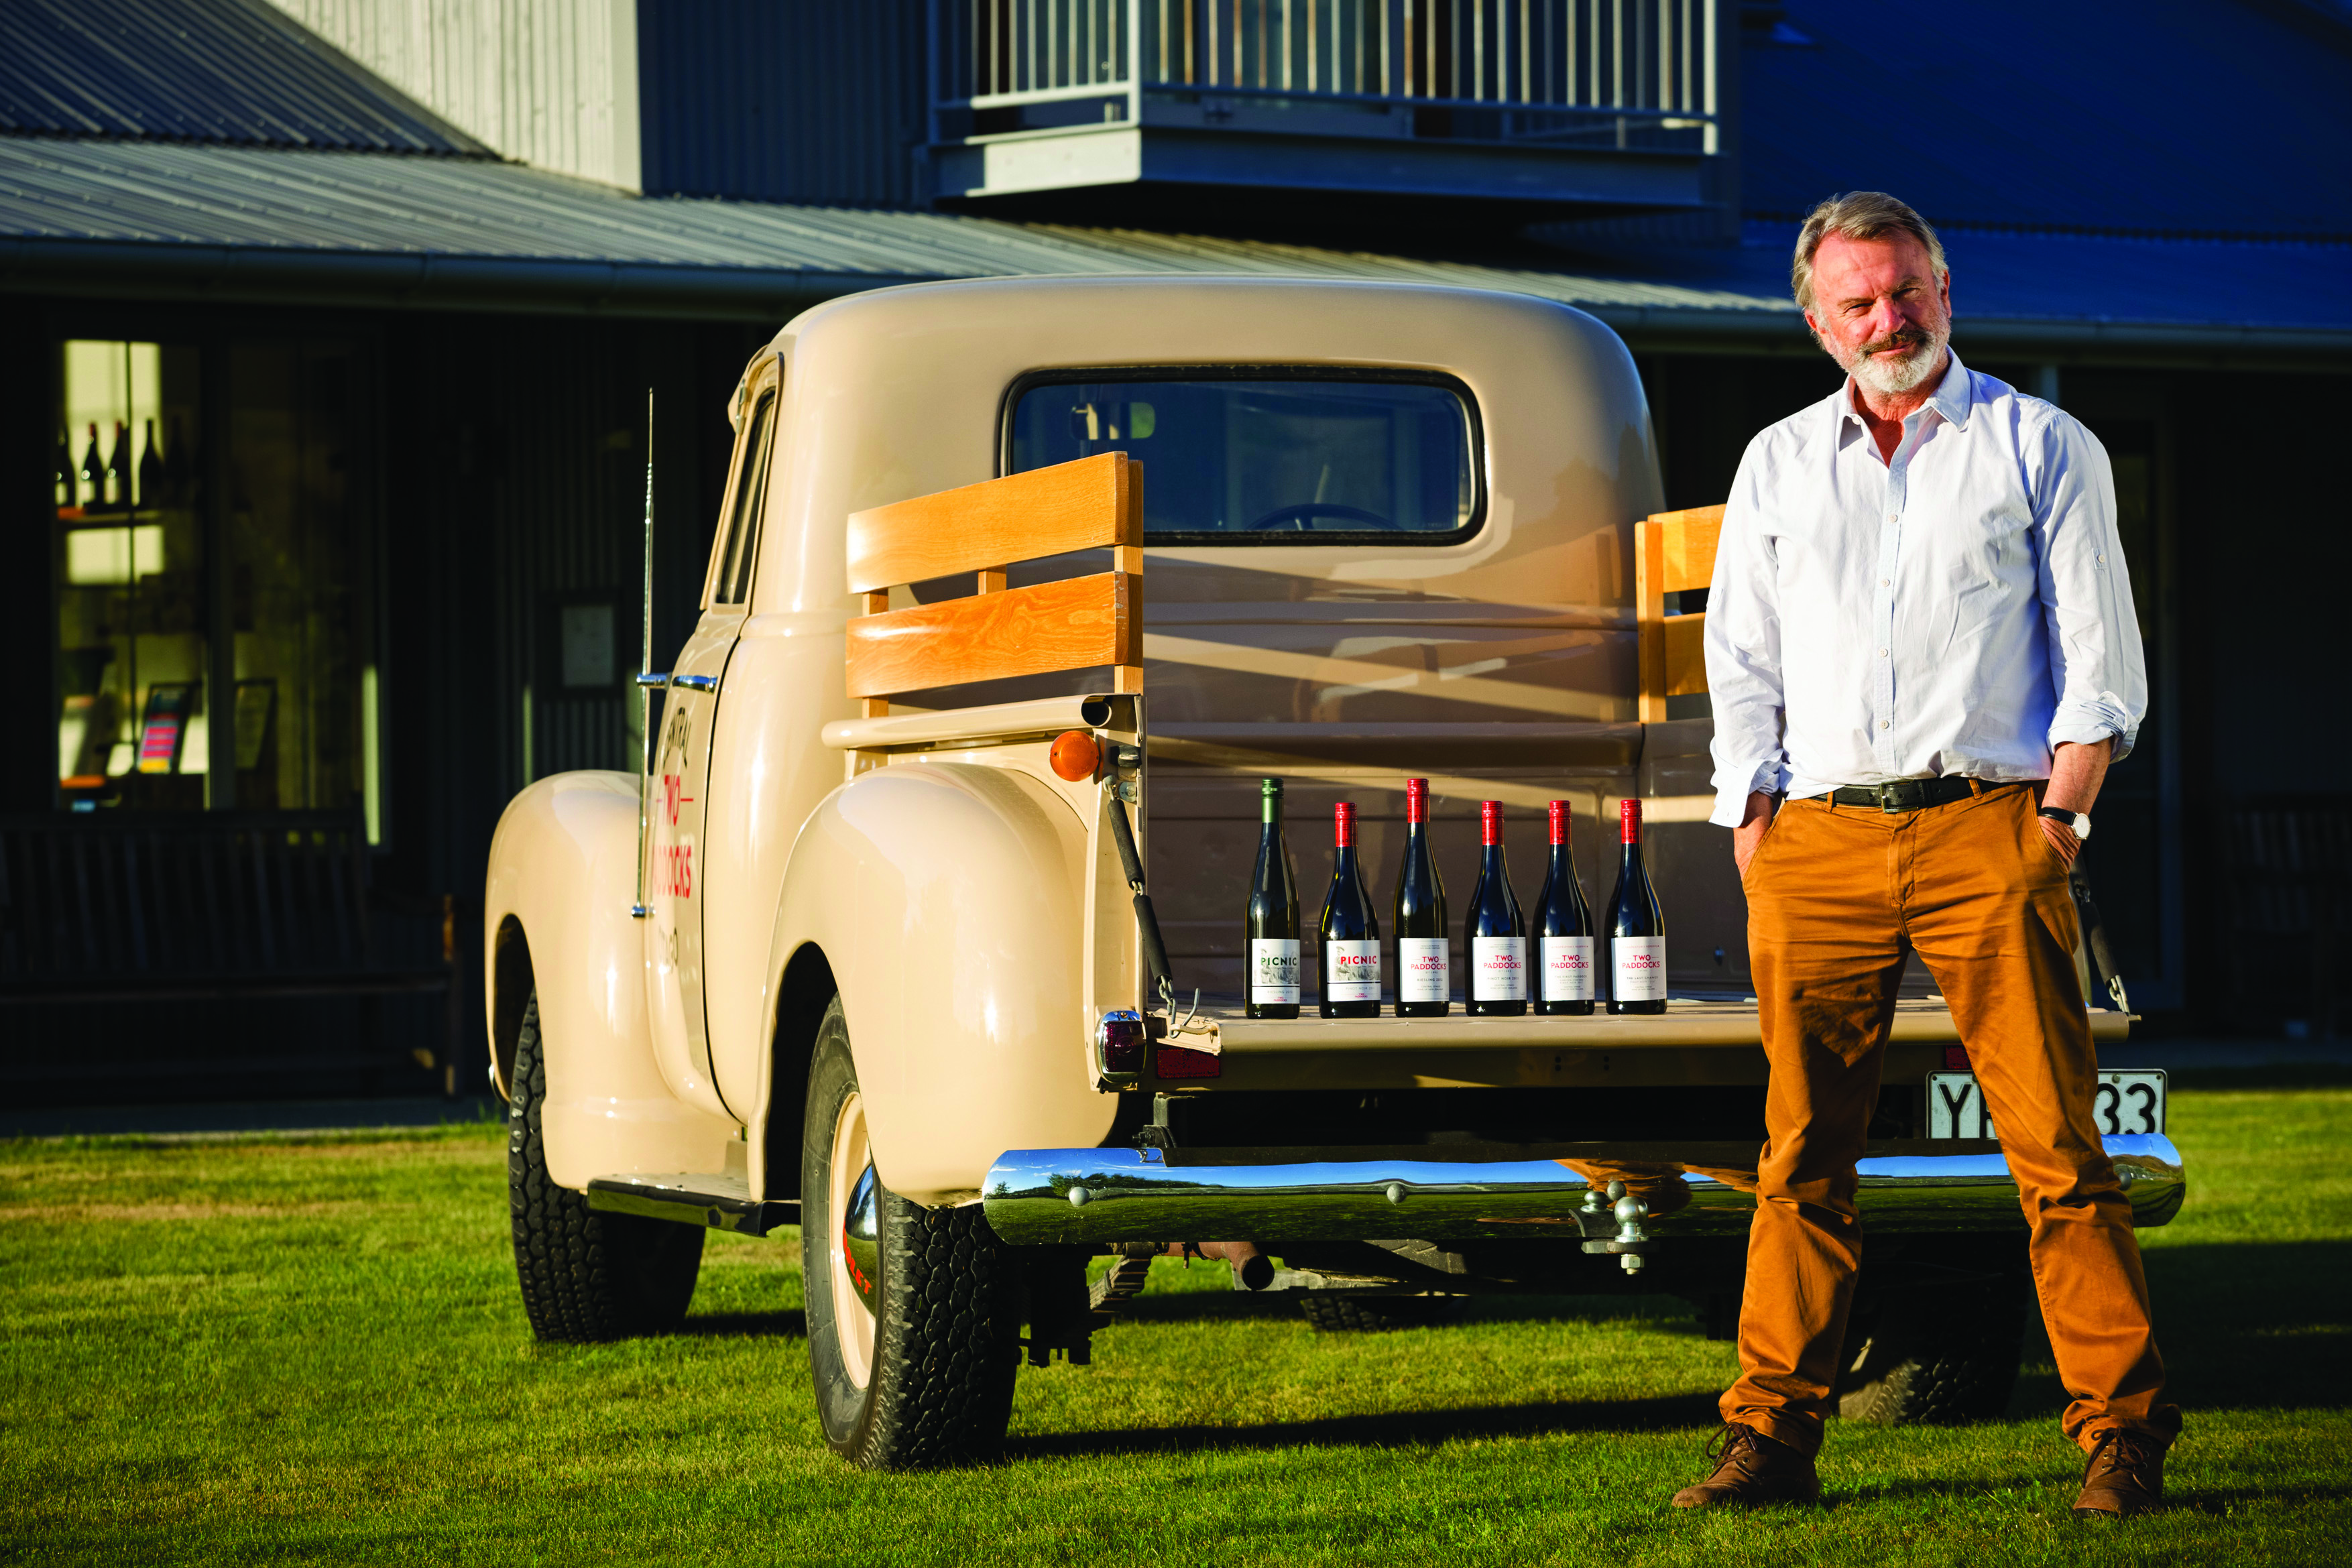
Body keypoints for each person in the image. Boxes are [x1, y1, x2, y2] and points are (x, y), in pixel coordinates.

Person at [1680, 191, 2174, 1520]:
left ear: (1943, 291)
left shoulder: (2039, 444)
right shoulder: (1776, 462)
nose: (1884, 320)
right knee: (1799, 1155)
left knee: (2055, 1149)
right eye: (1856, 301)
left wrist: (2058, 816)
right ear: (1815, 321)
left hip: (1988, 827)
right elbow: (1738, 660)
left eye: (1904, 291)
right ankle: (1770, 1438)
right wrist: (1753, 820)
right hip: (1817, 839)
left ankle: (2120, 1436)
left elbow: (2101, 661)